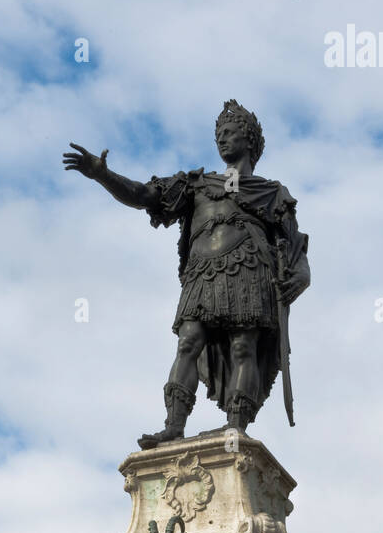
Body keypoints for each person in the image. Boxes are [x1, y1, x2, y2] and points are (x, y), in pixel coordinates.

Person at [63, 100, 309, 444]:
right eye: (218, 134)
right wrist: (103, 175)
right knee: (188, 341)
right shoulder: (195, 184)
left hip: (250, 269)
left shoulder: (271, 193)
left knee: (243, 348)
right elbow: (144, 195)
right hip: (202, 272)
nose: (221, 139)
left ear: (249, 140)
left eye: (230, 132)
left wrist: (302, 274)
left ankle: (235, 425)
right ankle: (174, 426)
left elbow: (294, 244)